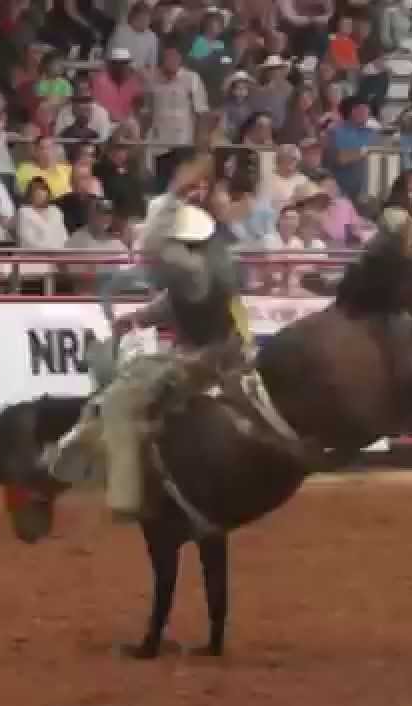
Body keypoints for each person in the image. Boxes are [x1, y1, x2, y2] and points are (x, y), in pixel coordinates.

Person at [50, 153, 250, 523]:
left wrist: (173, 195)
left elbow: (163, 270)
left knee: (119, 402)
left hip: (201, 359)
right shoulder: (213, 260)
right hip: (227, 350)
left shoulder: (187, 264)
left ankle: (125, 497)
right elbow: (175, 301)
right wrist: (138, 317)